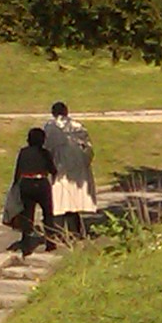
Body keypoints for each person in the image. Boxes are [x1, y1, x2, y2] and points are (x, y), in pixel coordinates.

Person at [44, 100, 96, 241]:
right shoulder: (77, 126)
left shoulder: (50, 127)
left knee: (59, 201)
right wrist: (84, 162)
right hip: (77, 167)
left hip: (60, 167)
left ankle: (60, 234)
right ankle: (75, 232)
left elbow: (46, 148)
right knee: (72, 201)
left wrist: (49, 166)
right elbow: (89, 149)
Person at [6, 128, 56, 256]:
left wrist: (15, 185)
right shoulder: (45, 153)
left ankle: (26, 243)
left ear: (28, 140)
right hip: (42, 183)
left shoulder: (23, 152)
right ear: (43, 140)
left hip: (26, 183)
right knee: (48, 214)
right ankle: (50, 242)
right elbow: (53, 170)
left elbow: (18, 171)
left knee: (27, 215)